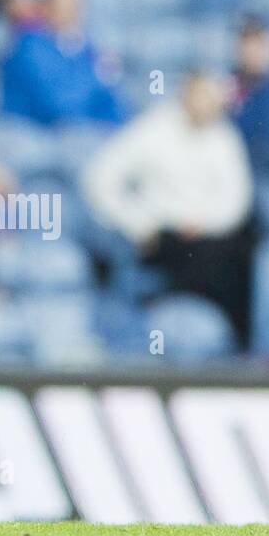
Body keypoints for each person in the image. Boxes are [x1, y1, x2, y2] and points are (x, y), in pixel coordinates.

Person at [81, 72, 254, 343]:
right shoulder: (153, 128)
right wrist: (137, 224)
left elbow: (237, 201)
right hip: (160, 237)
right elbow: (100, 177)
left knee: (241, 257)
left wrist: (203, 223)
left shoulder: (225, 137)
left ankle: (236, 350)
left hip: (211, 238)